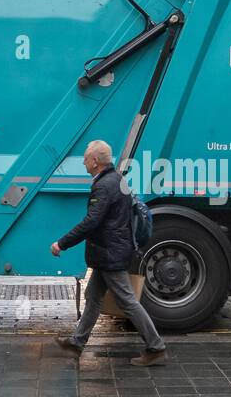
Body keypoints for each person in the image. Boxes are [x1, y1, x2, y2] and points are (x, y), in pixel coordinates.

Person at [52, 140, 165, 366]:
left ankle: (156, 347)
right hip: (108, 252)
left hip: (110, 254)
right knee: (93, 297)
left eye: (85, 157)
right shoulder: (116, 180)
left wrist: (62, 243)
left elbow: (92, 221)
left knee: (127, 301)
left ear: (95, 161)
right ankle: (76, 343)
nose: (83, 161)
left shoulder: (104, 186)